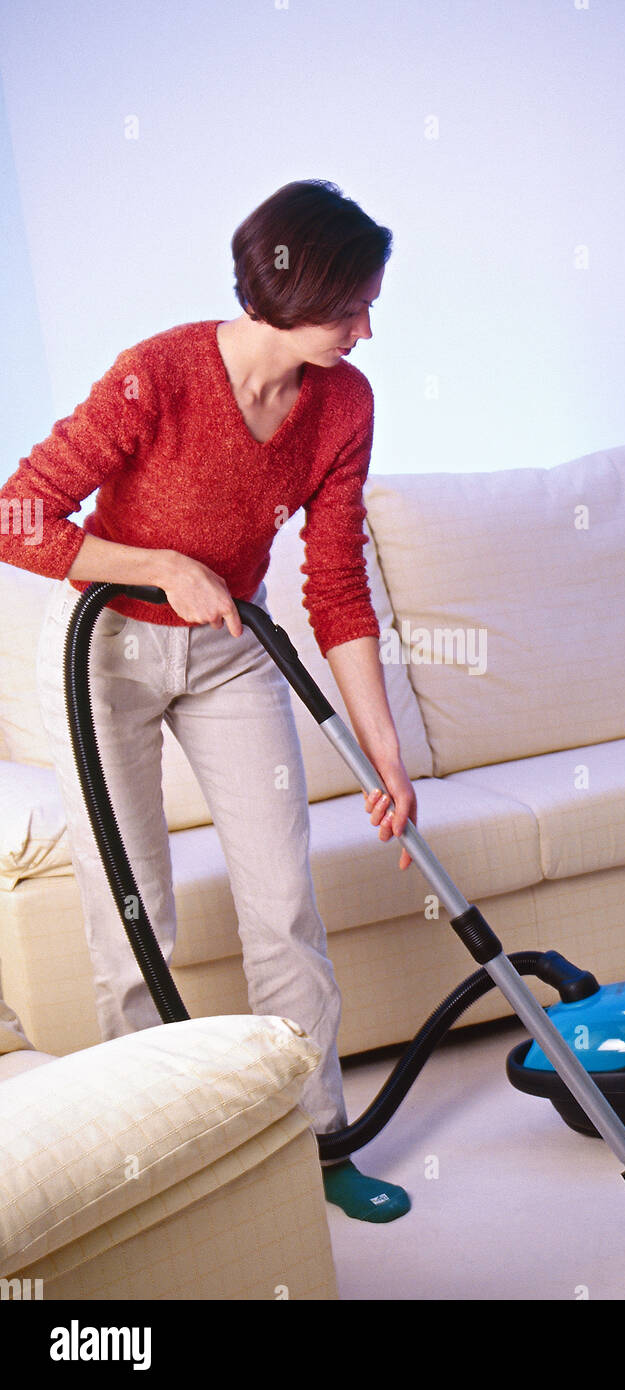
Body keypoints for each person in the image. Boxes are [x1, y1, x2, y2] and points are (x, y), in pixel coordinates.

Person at [0, 179, 416, 1222]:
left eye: (370, 303)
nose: (367, 329)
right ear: (288, 294)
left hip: (231, 651)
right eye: (350, 307)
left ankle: (320, 1142)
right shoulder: (160, 373)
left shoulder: (343, 404)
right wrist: (157, 562)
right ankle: (158, 1174)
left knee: (282, 904)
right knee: (136, 916)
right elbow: (19, 514)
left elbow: (334, 587)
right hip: (106, 655)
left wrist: (386, 756)